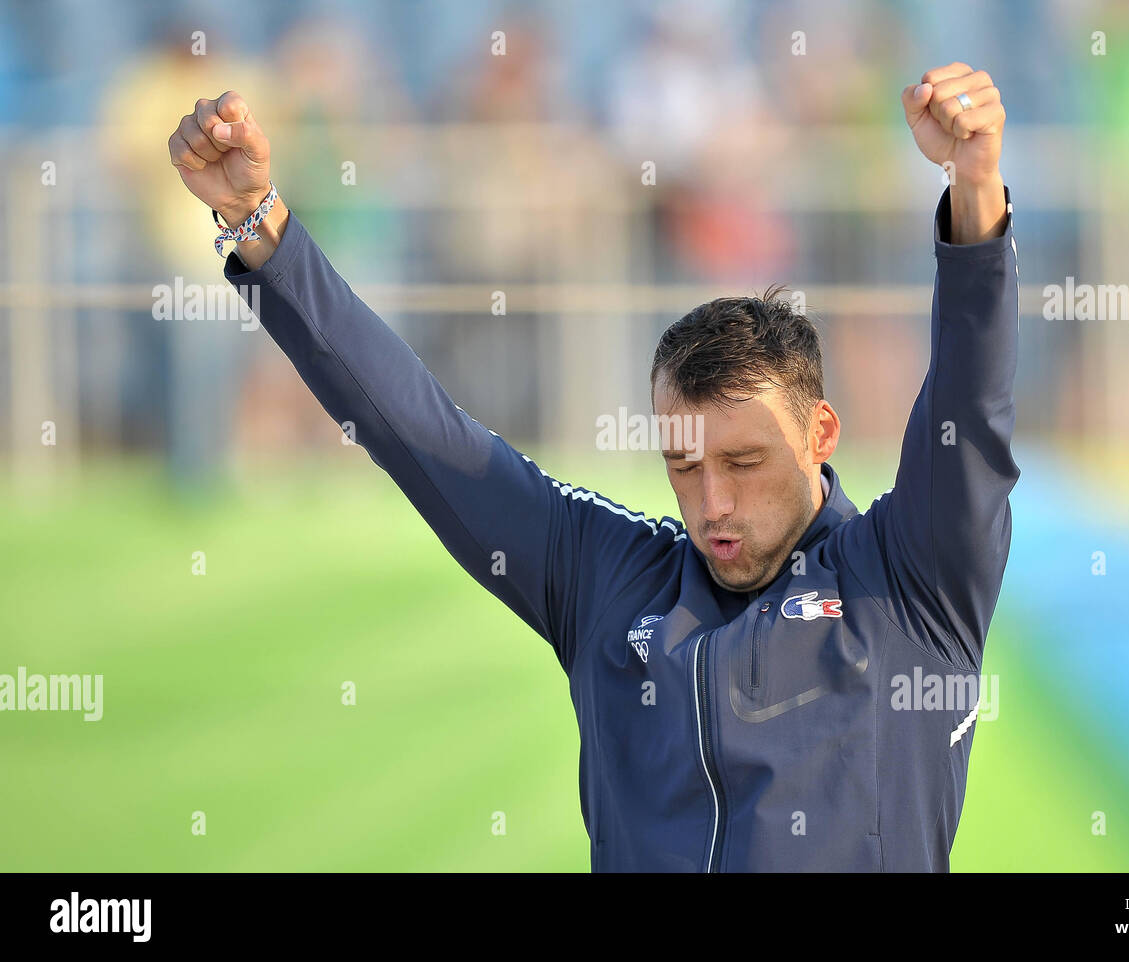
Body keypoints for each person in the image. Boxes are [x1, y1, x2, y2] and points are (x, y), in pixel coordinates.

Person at [167, 62, 1018, 871]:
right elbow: (421, 436)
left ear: (820, 434)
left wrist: (973, 191)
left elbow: (970, 413)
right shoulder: (611, 577)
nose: (712, 502)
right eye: (683, 464)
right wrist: (259, 228)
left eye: (744, 461)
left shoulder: (911, 576)